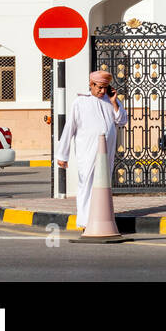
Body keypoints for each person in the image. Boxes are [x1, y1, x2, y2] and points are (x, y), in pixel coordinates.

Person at [55, 70, 128, 227]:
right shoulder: (80, 102)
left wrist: (115, 102)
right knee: (87, 184)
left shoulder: (111, 100)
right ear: (91, 84)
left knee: (103, 184)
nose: (102, 91)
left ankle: (102, 217)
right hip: (87, 152)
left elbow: (122, 121)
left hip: (106, 152)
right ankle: (85, 222)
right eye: (99, 87)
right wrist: (63, 155)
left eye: (105, 87)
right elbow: (69, 128)